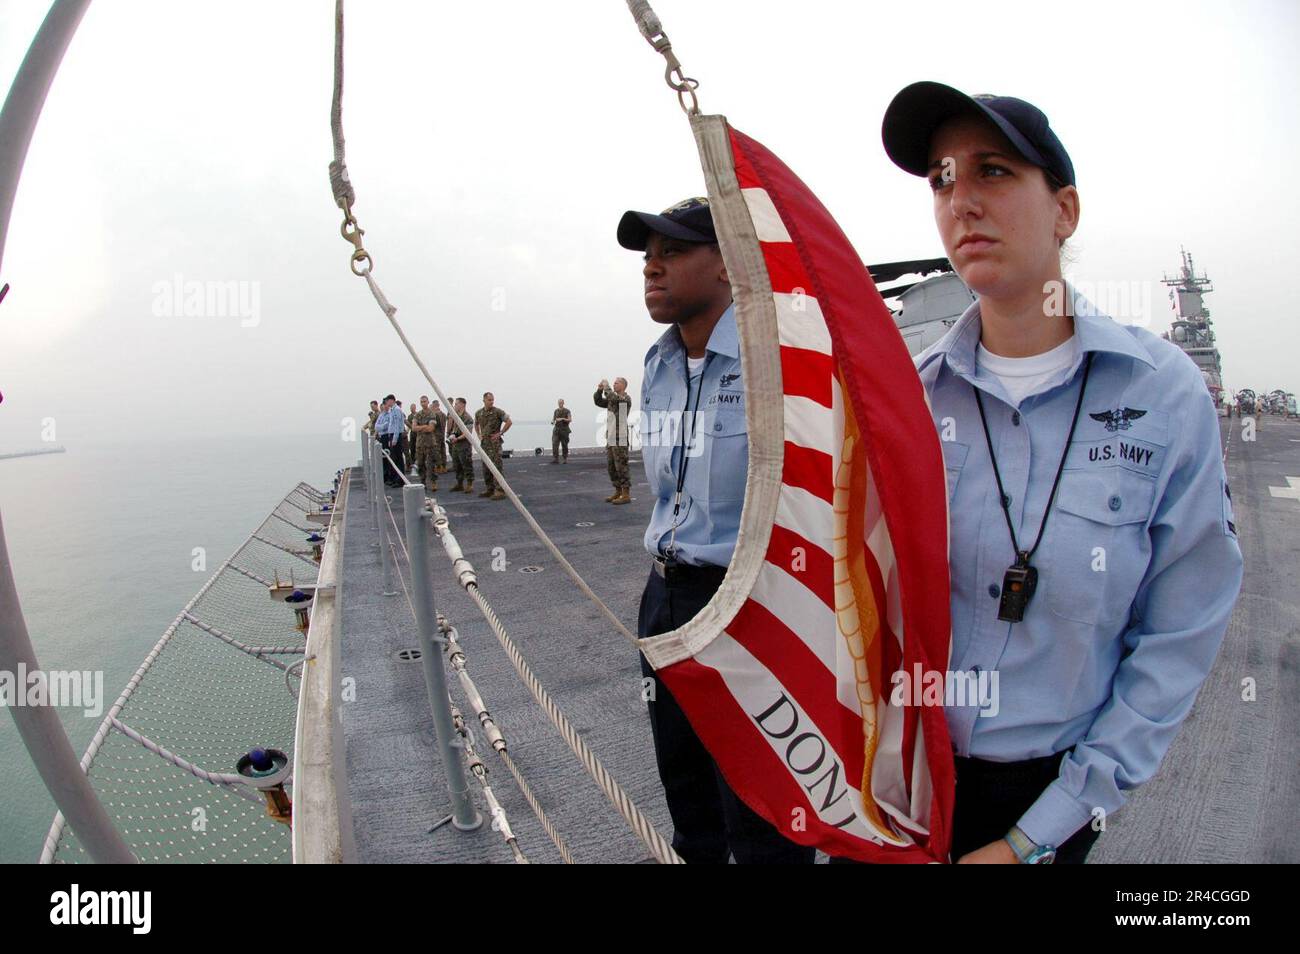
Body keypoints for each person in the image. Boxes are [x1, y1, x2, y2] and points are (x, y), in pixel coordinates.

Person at [879, 82, 1243, 864]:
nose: (960, 201)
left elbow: (1179, 632)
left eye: (994, 172)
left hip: (1044, 802)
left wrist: (1032, 839)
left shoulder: (1161, 393)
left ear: (1064, 210)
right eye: (942, 178)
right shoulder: (908, 396)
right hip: (900, 788)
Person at [617, 195, 814, 864]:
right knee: (688, 801)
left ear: (728, 265)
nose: (653, 268)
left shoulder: (776, 363)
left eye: (673, 252)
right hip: (666, 598)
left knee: (763, 813)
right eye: (648, 257)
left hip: (750, 604)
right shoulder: (657, 364)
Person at [594, 378, 633, 502]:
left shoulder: (625, 399)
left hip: (620, 436)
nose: (614, 384)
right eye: (614, 383)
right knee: (611, 467)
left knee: (621, 465)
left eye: (616, 383)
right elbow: (598, 401)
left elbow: (614, 398)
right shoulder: (612, 399)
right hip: (611, 436)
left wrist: (606, 387)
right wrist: (599, 391)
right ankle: (618, 491)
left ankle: (626, 494)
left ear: (623, 385)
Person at [474, 392, 511, 500]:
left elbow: (509, 422)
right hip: (485, 444)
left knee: (497, 467)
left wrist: (500, 433)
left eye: (492, 400)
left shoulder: (497, 412)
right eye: (489, 400)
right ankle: (489, 489)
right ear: (484, 400)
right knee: (486, 467)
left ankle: (500, 490)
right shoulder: (479, 413)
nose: (491, 402)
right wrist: (479, 435)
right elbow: (476, 424)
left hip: (495, 444)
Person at [375, 394, 405, 486]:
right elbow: (377, 427)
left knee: (397, 459)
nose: (387, 403)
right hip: (391, 435)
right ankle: (396, 479)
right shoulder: (393, 410)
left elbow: (395, 426)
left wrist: (394, 439)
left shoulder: (396, 410)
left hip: (395, 436)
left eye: (387, 401)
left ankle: (399, 480)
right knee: (394, 459)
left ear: (392, 400)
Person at [448, 397, 475, 493]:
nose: (455, 405)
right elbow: (455, 430)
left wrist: (457, 438)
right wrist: (452, 435)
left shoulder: (467, 418)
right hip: (456, 445)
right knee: (457, 464)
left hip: (464, 445)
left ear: (462, 404)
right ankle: (459, 483)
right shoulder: (457, 417)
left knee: (467, 464)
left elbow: (468, 432)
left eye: (456, 404)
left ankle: (469, 484)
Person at [412, 395, 439, 493]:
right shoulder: (417, 415)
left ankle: (433, 482)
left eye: (424, 401)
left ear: (428, 402)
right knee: (421, 464)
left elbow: (431, 428)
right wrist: (425, 426)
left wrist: (420, 427)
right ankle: (422, 482)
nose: (423, 403)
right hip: (420, 444)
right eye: (421, 402)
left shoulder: (432, 414)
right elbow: (414, 428)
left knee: (431, 464)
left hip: (430, 443)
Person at [430, 399, 449, 474]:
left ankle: (438, 467)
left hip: (436, 435)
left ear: (434, 405)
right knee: (442, 450)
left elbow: (433, 426)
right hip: (442, 434)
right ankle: (444, 466)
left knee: (436, 451)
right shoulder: (443, 414)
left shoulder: (435, 415)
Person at [550, 399, 572, 464]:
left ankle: (565, 458)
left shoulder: (567, 411)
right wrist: (552, 421)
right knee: (554, 444)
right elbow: (554, 419)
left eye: (561, 402)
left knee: (564, 444)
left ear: (563, 403)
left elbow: (570, 419)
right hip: (556, 430)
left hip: (564, 430)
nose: (560, 404)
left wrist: (562, 419)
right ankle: (555, 458)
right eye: (559, 403)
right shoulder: (556, 411)